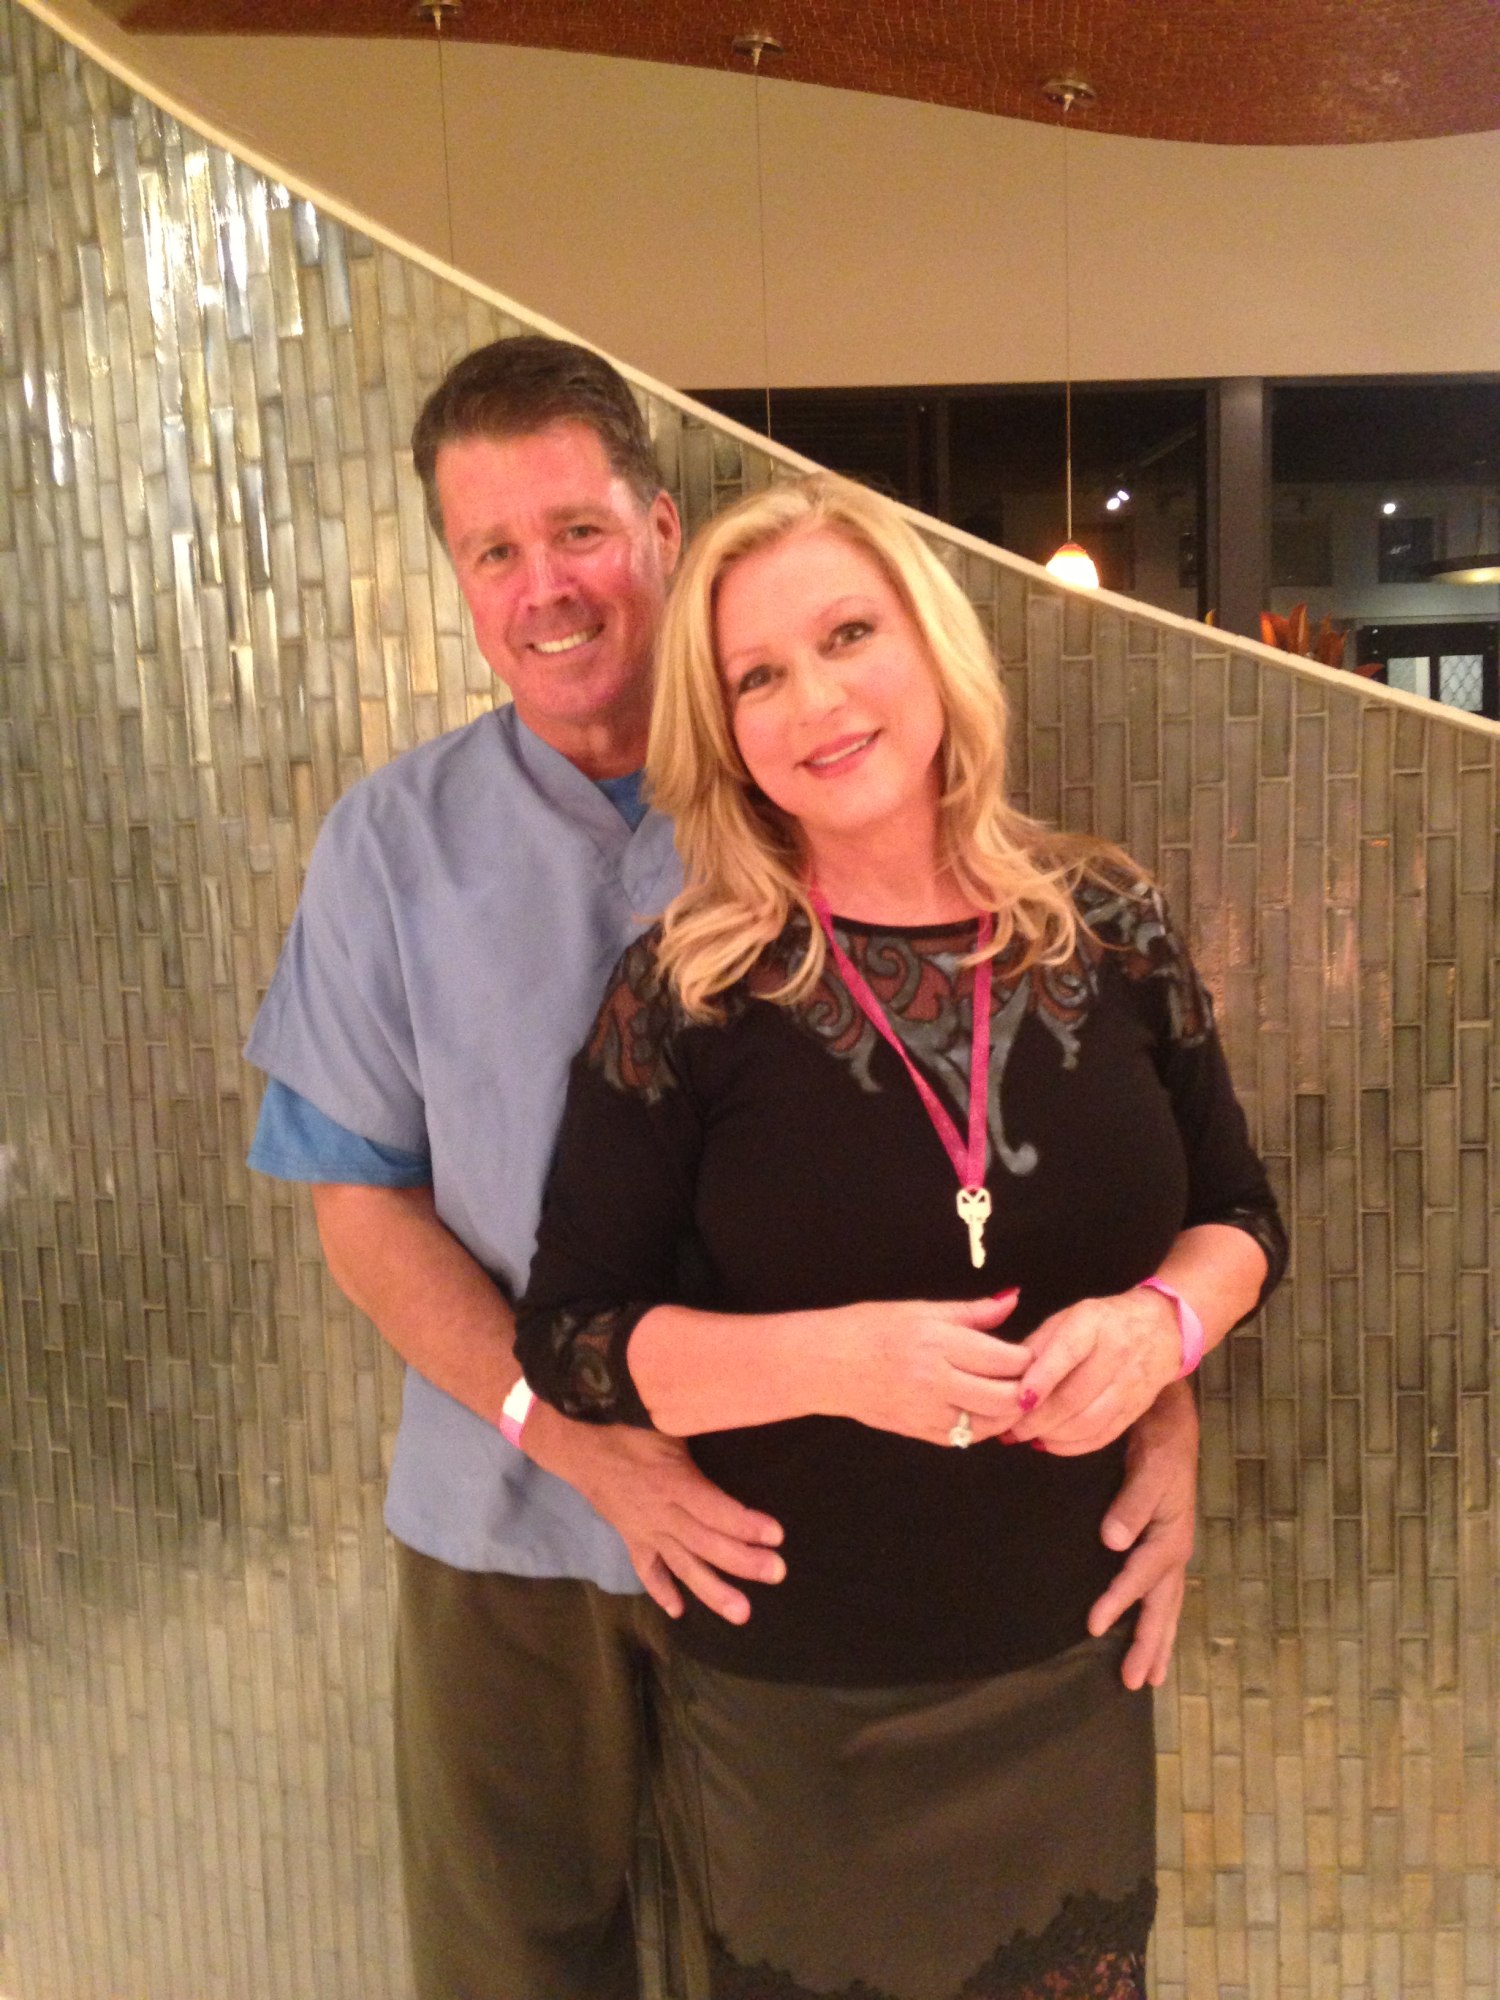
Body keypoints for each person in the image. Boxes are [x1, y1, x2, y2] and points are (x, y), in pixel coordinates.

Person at [244, 337, 1205, 2000]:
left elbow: (1062, 1166)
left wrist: (1159, 1401)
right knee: (517, 1960)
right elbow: (360, 1204)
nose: (545, 587)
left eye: (578, 530)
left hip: (826, 1555)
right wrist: (578, 1445)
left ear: (663, 530)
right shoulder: (393, 846)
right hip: (514, 1533)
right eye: (492, 550)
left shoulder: (828, 788)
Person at [515, 472, 1287, 2000]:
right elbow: (573, 1339)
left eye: (848, 635)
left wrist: (1165, 1331)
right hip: (802, 1705)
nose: (815, 700)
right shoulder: (686, 990)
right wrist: (831, 1364)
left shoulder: (1112, 925)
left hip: (1071, 1660)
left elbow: (1239, 1218)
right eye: (756, 675)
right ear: (724, 730)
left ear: (934, 646)